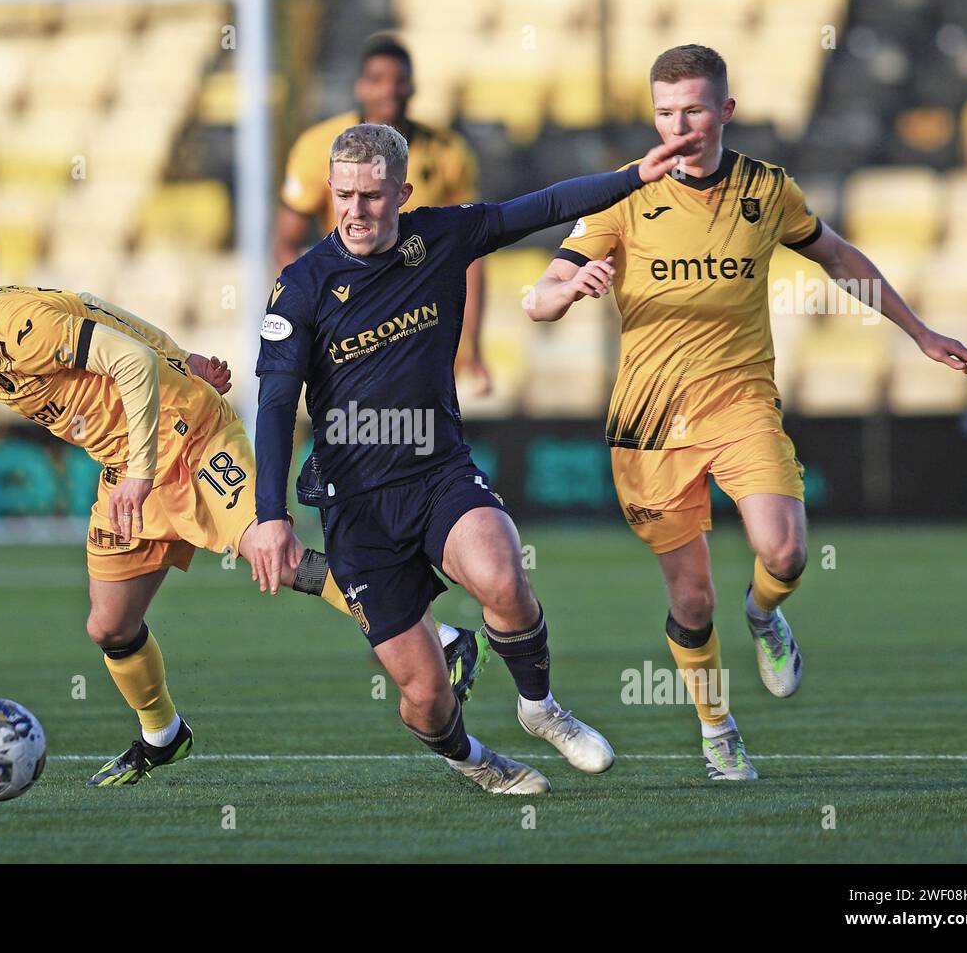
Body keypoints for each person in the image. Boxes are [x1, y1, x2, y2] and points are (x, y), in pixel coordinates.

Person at [527, 45, 967, 779]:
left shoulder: (768, 190)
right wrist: (565, 291)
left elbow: (839, 258)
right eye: (667, 112)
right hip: (649, 426)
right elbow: (540, 295)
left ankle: (767, 615)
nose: (681, 125)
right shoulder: (622, 196)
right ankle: (717, 730)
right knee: (693, 596)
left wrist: (921, 333)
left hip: (740, 403)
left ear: (725, 112)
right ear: (656, 116)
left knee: (786, 552)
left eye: (696, 109)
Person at [0, 262, 485, 787]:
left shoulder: (19, 327)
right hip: (129, 466)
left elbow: (126, 359)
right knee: (110, 624)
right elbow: (98, 308)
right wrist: (180, 357)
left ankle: (445, 634)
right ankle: (163, 735)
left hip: (188, 437)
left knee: (276, 554)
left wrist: (158, 414)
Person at [248, 123, 699, 793]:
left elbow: (544, 205)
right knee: (427, 698)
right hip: (358, 510)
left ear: (401, 192)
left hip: (438, 472)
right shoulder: (303, 284)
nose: (354, 210)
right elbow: (278, 402)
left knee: (501, 572)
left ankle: (541, 707)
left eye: (371, 197)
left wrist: (637, 174)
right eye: (342, 195)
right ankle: (472, 760)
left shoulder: (443, 236)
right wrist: (271, 514)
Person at [275, 35, 491, 394]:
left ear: (413, 87)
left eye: (399, 80)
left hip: (425, 317)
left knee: (423, 434)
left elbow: (473, 251)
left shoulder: (448, 151)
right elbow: (286, 242)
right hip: (353, 311)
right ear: (361, 87)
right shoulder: (319, 146)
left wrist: (473, 343)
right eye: (378, 79)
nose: (389, 90)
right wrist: (317, 314)